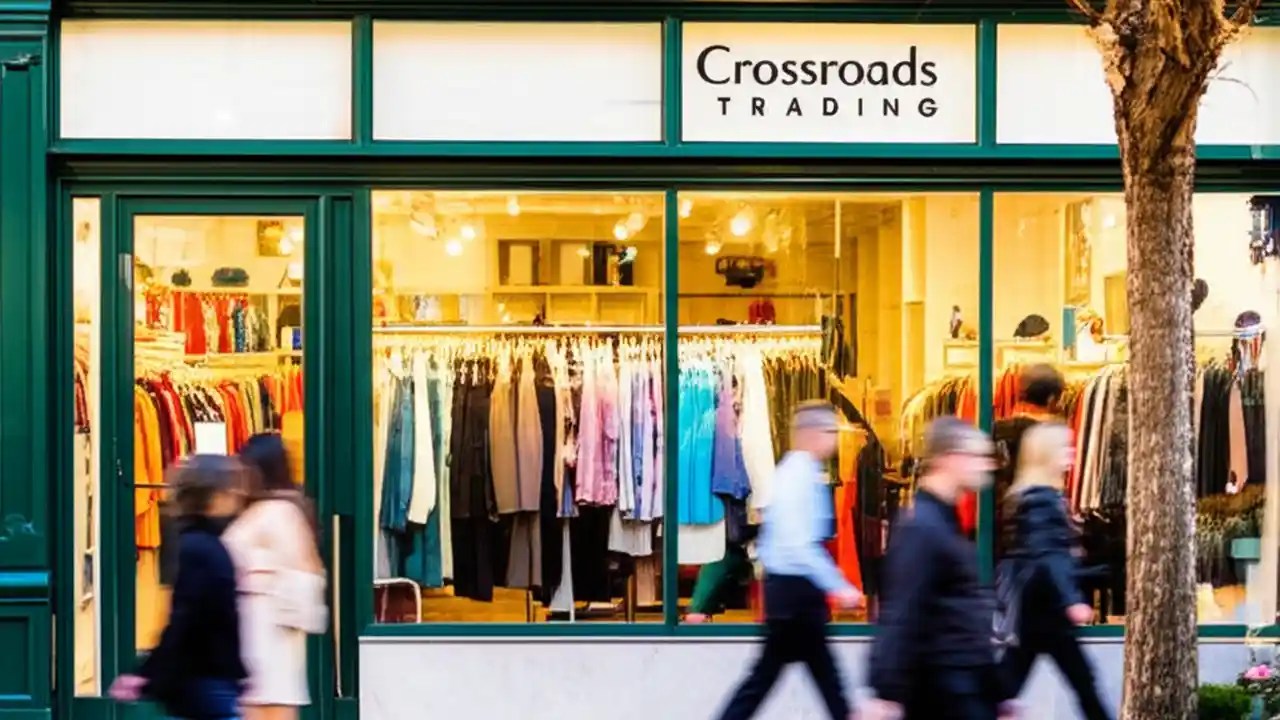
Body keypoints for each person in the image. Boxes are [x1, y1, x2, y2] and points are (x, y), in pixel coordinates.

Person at [715, 401, 862, 720]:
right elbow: (801, 545)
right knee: (821, 682)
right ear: (812, 433)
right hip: (798, 597)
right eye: (830, 432)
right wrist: (839, 586)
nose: (834, 440)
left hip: (788, 595)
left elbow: (778, 542)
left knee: (773, 681)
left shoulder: (791, 473)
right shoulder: (800, 477)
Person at [866, 418, 1013, 720]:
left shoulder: (943, 522)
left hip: (961, 689)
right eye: (976, 456)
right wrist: (886, 690)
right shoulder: (923, 527)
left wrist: (996, 692)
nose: (986, 465)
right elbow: (902, 610)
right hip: (943, 692)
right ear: (950, 457)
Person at [109, 455, 249, 720]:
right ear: (213, 496)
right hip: (208, 686)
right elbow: (186, 621)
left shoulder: (198, 544)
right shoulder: (205, 547)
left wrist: (148, 675)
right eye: (231, 489)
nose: (237, 496)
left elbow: (184, 620)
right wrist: (150, 676)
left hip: (206, 684)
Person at [998, 422, 1111, 720]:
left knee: (1009, 685)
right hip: (1046, 609)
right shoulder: (1042, 500)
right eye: (1065, 449)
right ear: (1047, 455)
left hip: (1036, 609)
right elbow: (1048, 555)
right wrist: (1071, 600)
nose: (1071, 455)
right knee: (1084, 684)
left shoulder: (1031, 497)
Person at [222, 433, 327, 720]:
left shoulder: (279, 513)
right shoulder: (265, 511)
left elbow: (306, 574)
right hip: (259, 641)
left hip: (268, 640)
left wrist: (257, 579)